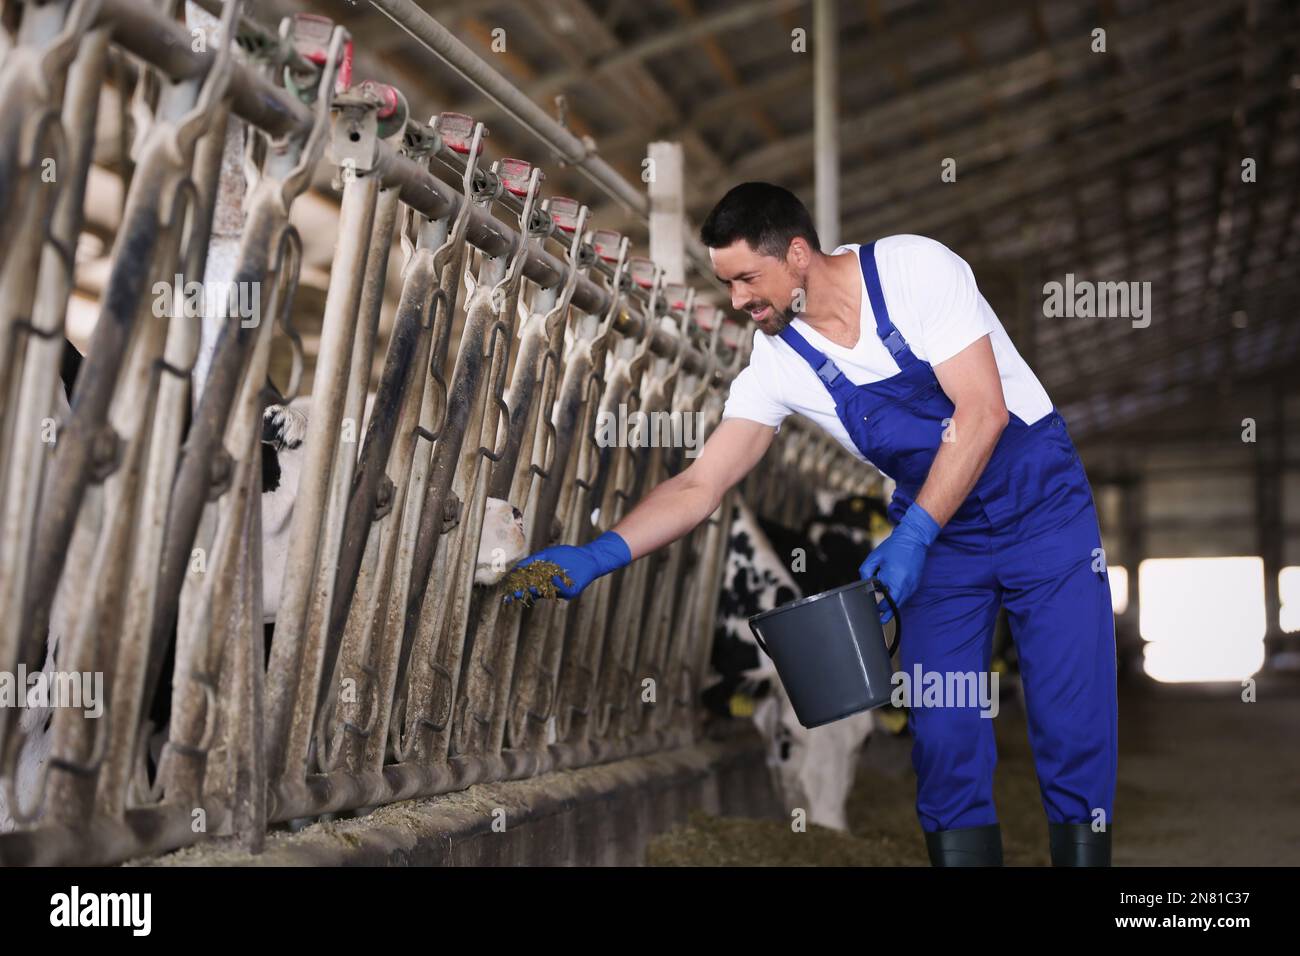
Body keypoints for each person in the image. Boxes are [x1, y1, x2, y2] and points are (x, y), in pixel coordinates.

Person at [506, 181, 1117, 867]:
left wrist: (913, 533)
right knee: (944, 734)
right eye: (726, 284)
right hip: (945, 539)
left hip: (1041, 513)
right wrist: (601, 553)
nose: (736, 300)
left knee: (1071, 715)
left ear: (796, 254)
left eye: (745, 278)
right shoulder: (777, 365)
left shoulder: (915, 271)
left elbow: (982, 413)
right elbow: (702, 481)